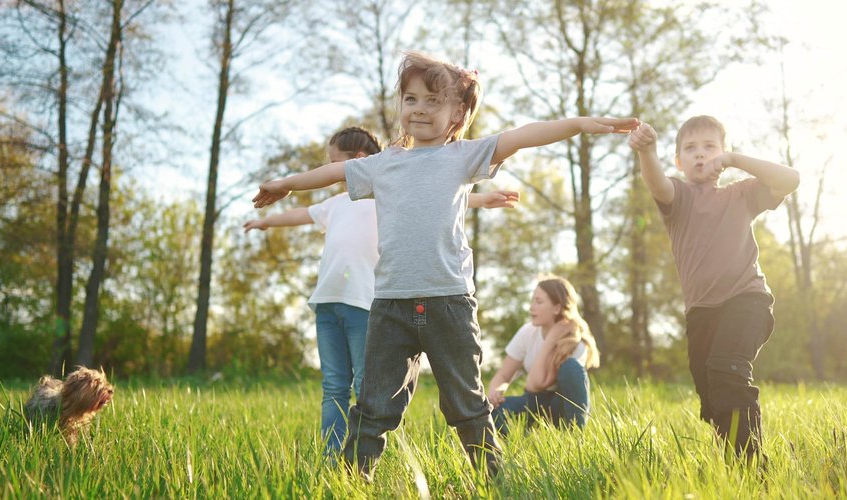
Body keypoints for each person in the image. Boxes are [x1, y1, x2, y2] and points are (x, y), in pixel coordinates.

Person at [252, 51, 637, 480]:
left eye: (433, 101)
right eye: (411, 99)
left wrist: (579, 124)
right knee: (374, 406)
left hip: (449, 304)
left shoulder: (464, 157)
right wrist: (286, 184)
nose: (419, 109)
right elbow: (335, 173)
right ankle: (353, 481)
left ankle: (493, 480)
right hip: (390, 305)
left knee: (466, 403)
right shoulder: (383, 164)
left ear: (457, 113)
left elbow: (524, 136)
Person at [243, 126, 518, 455]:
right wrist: (266, 222)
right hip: (328, 301)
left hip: (364, 301)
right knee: (334, 385)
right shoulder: (336, 203)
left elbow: (432, 195)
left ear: (358, 159)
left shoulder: (383, 193)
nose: (330, 169)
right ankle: (334, 454)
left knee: (369, 384)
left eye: (334, 162)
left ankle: (370, 446)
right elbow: (303, 214)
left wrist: (482, 199)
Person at [628, 115, 800, 463]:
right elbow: (657, 183)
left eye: (710, 147)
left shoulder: (741, 194)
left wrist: (735, 159)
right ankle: (732, 465)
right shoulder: (679, 196)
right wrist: (647, 151)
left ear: (722, 153)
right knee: (711, 393)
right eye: (690, 148)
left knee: (727, 370)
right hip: (701, 314)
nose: (700, 154)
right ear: (679, 161)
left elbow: (790, 179)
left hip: (747, 301)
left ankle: (752, 469)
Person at [487, 276, 600, 435]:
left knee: (571, 367)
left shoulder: (575, 342)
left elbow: (535, 384)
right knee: (494, 411)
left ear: (557, 308)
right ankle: (512, 445)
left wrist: (550, 341)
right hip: (534, 401)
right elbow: (504, 375)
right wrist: (495, 392)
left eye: (539, 302)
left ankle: (575, 436)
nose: (531, 307)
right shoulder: (527, 332)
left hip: (561, 406)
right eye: (532, 301)